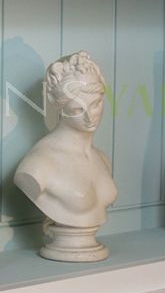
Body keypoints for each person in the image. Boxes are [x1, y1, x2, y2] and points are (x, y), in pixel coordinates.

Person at [14, 52, 117, 258]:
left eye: (96, 104)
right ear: (59, 106)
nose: (91, 116)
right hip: (64, 250)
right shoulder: (38, 165)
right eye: (77, 109)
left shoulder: (101, 158)